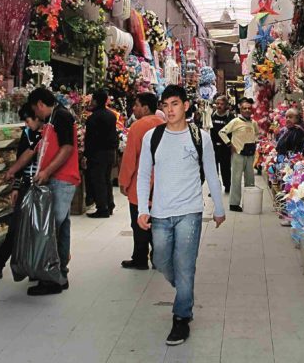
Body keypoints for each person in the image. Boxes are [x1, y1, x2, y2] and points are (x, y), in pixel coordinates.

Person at [137, 85, 225, 346]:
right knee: (162, 260)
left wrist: (218, 208)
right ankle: (184, 292)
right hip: (160, 213)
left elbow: (211, 173)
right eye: (166, 105)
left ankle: (181, 317)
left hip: (190, 212)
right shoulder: (152, 137)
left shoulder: (201, 137)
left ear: (186, 106)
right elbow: (143, 174)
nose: (170, 110)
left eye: (175, 104)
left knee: (185, 267)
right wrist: (143, 208)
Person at [0, 103, 43, 281]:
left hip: (39, 186)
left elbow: (26, 157)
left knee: (26, 229)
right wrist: (16, 187)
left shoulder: (45, 134)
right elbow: (22, 158)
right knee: (17, 227)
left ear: (37, 116)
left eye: (28, 121)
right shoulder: (29, 134)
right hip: (27, 186)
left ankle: (5, 266)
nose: (26, 125)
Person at [27, 87, 81, 295]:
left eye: (36, 110)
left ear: (41, 104)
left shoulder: (62, 117)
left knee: (51, 229)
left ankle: (52, 278)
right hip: (58, 179)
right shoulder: (54, 118)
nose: (36, 116)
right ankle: (59, 274)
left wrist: (48, 171)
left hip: (61, 179)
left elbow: (67, 148)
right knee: (61, 227)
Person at [118, 92, 164, 270]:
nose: (134, 108)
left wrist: (124, 181)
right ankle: (158, 257)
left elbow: (130, 158)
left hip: (141, 183)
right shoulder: (165, 124)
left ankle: (140, 259)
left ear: (145, 107)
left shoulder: (138, 126)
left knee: (139, 223)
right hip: (160, 184)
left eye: (136, 105)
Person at [218, 98, 259, 212]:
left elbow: (256, 134)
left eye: (249, 108)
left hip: (250, 155)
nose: (247, 110)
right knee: (236, 179)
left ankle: (250, 202)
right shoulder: (235, 121)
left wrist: (255, 142)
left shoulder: (254, 123)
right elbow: (222, 132)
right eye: (244, 108)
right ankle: (234, 204)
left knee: (250, 180)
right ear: (240, 109)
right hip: (238, 154)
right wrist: (229, 144)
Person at [84, 89, 118, 218]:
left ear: (96, 101)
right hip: (110, 152)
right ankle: (109, 204)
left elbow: (91, 139)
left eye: (92, 99)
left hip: (98, 154)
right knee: (106, 179)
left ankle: (102, 208)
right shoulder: (111, 115)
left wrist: (86, 154)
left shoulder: (94, 118)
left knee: (98, 180)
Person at [210, 95, 234, 193]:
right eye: (217, 103)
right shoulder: (212, 115)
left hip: (226, 146)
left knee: (225, 167)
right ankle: (215, 188)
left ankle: (227, 186)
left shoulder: (230, 116)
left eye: (222, 104)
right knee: (214, 168)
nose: (219, 106)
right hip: (214, 146)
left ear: (226, 105)